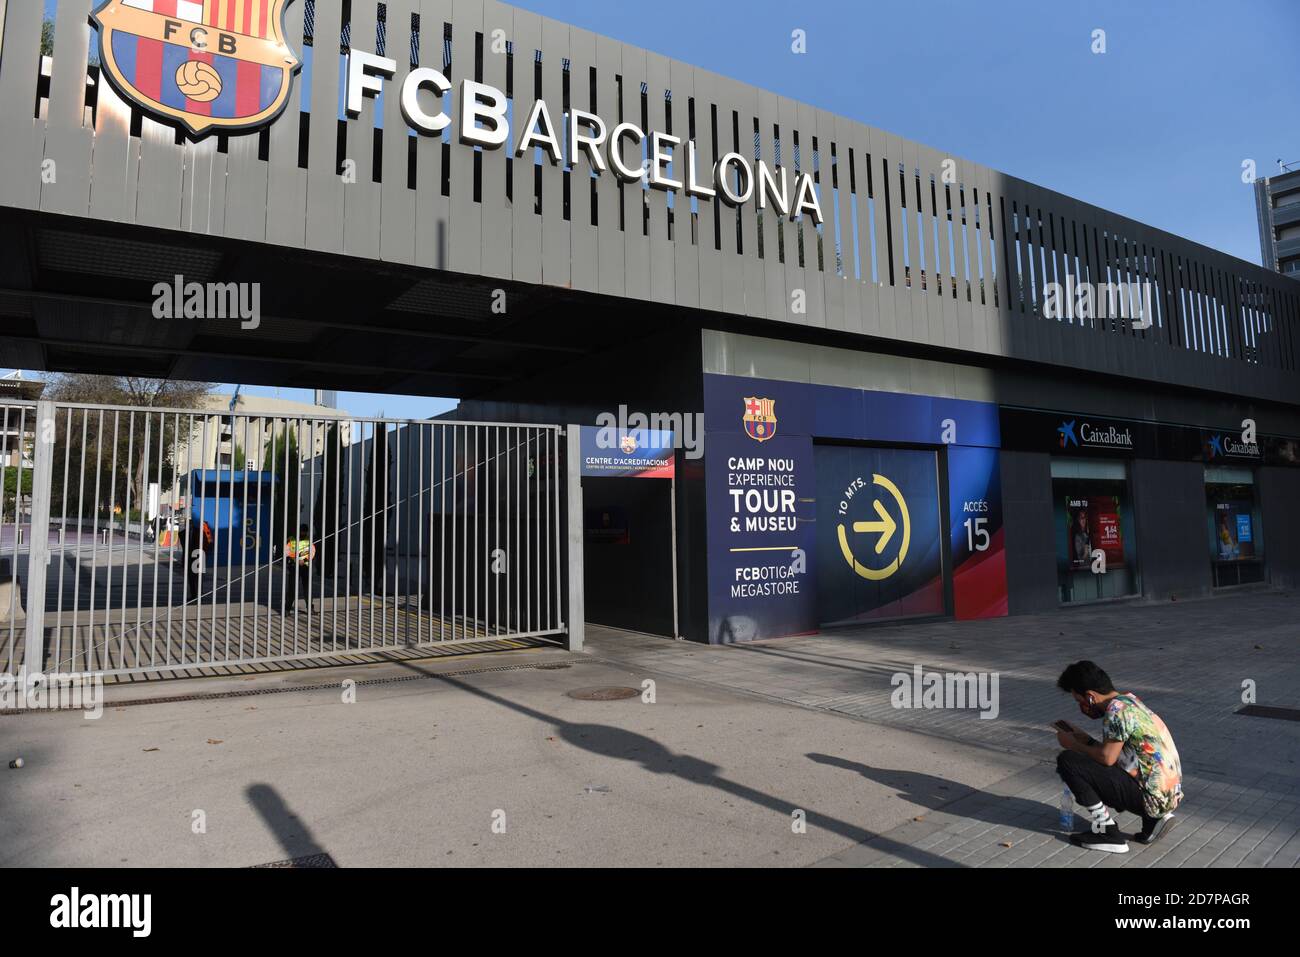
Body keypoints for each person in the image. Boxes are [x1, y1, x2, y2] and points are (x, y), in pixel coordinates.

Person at [1054, 660, 1183, 853]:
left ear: (1090, 696)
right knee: (1088, 759)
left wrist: (1073, 745)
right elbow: (1118, 755)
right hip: (1168, 794)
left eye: (1079, 701)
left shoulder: (1115, 712)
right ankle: (1153, 821)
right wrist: (1086, 740)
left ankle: (1107, 833)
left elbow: (1107, 759)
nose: (1081, 707)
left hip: (1152, 797)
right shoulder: (1129, 702)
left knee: (1068, 761)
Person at [285, 525, 317, 614]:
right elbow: (287, 552)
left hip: (305, 567)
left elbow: (312, 552)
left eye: (305, 532)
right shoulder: (291, 540)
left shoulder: (308, 541)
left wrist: (304, 560)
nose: (303, 533)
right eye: (302, 531)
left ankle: (310, 608)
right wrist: (295, 560)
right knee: (292, 589)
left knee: (307, 589)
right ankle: (287, 609)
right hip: (294, 567)